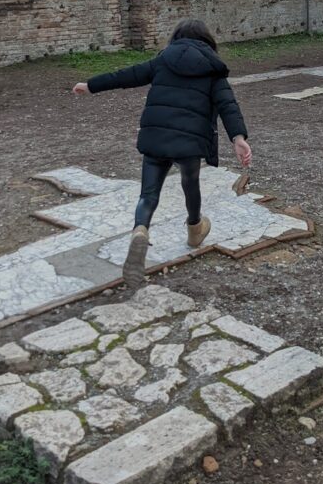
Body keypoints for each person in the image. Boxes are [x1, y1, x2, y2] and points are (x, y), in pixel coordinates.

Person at [72, 19, 251, 291]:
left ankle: (140, 229)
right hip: (189, 141)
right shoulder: (213, 69)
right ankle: (195, 228)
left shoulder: (163, 60)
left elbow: (128, 75)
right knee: (190, 184)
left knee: (148, 193)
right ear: (207, 40)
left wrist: (91, 85)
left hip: (156, 136)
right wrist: (238, 138)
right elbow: (228, 105)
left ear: (176, 37)